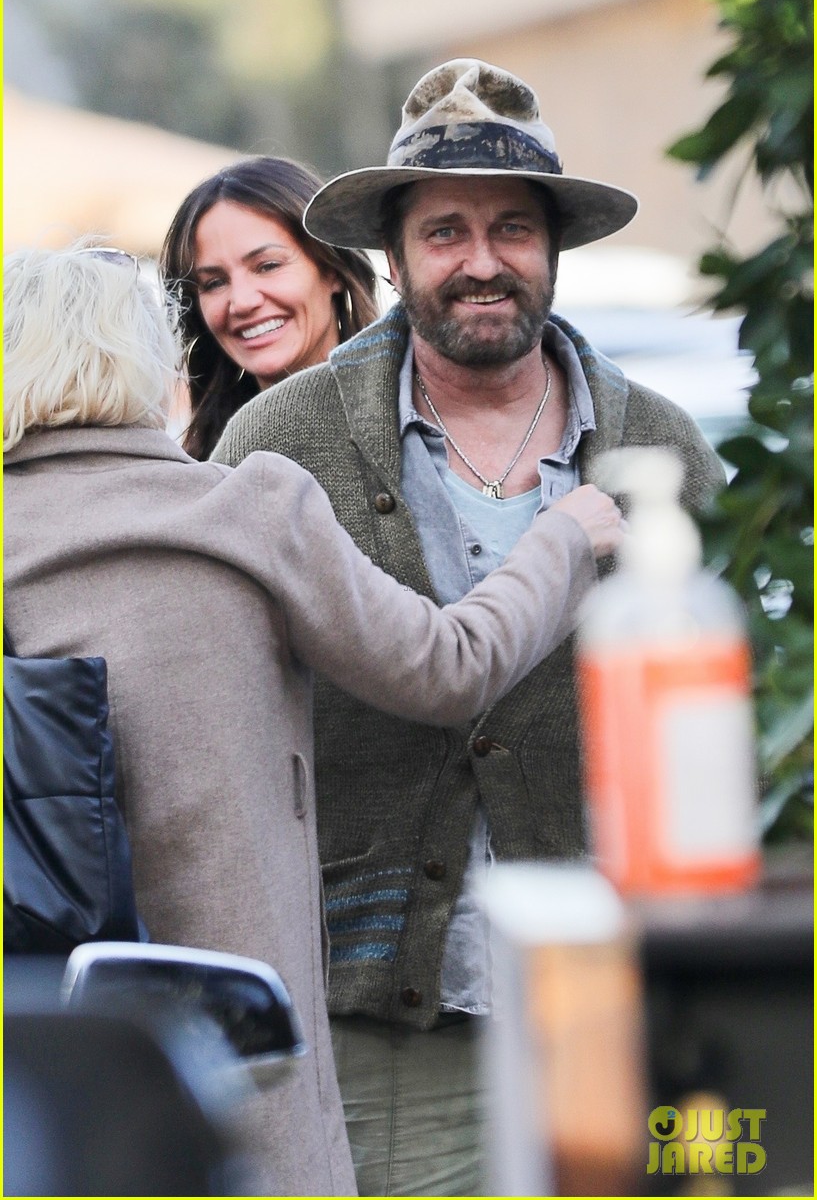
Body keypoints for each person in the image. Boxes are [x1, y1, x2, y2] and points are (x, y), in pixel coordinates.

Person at [3, 242, 624, 1197]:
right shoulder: (245, 511)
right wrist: (562, 542)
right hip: (234, 1064)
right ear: (144, 362)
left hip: (34, 1073)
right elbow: (446, 666)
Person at [212, 59, 726, 1197]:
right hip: (388, 1013)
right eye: (444, 231)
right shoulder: (277, 446)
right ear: (393, 262)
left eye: (512, 229)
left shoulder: (663, 449)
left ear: (555, 249)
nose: (482, 261)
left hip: (627, 993)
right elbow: (226, 724)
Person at [160, 156, 380, 459]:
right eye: (214, 283)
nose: (242, 302)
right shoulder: (198, 470)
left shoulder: (417, 424)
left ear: (333, 270)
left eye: (268, 266)